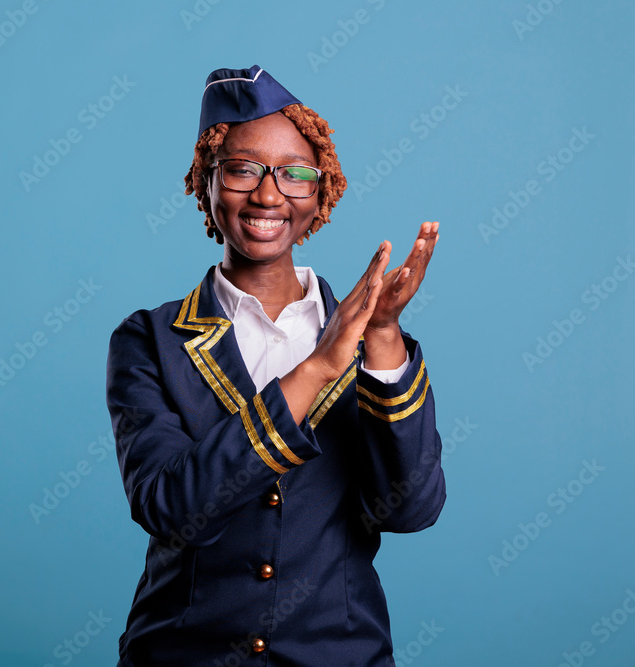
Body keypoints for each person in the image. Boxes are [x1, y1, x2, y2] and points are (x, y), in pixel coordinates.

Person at [105, 65, 446, 666]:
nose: (268, 195)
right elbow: (169, 508)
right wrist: (315, 368)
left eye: (295, 174)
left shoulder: (369, 337)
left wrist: (385, 334)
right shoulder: (149, 340)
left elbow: (410, 509)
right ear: (205, 183)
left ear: (323, 192)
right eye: (241, 170)